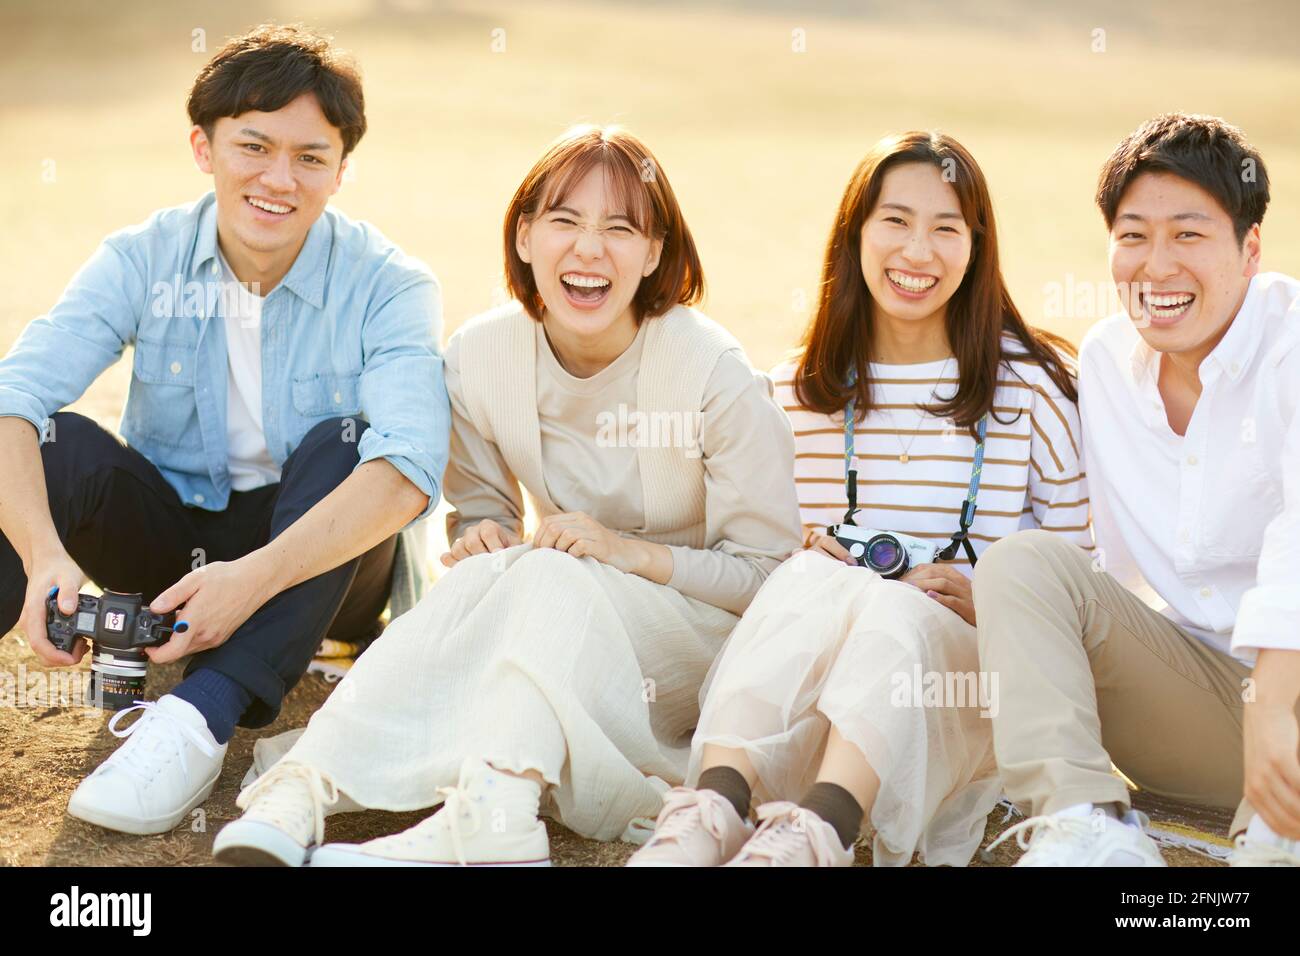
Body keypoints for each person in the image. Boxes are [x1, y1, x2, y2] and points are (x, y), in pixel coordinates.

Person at [211, 124, 804, 867]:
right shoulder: (481, 357)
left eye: (619, 229)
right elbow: (484, 508)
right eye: (564, 221)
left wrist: (628, 554)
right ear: (524, 236)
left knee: (549, 571)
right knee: (507, 572)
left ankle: (498, 812)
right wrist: (482, 534)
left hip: (691, 648)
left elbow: (772, 578)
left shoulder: (710, 372)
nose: (588, 250)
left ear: (654, 255)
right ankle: (305, 787)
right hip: (557, 614)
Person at [0, 24, 449, 836]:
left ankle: (196, 721)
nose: (280, 179)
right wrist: (43, 556)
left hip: (326, 568)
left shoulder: (391, 284)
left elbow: (411, 468)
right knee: (55, 442)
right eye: (254, 145)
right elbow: (12, 398)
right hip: (177, 546)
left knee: (353, 443)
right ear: (203, 148)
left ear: (341, 170)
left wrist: (257, 577)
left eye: (310, 157)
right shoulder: (142, 258)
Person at [627, 131, 1089, 867]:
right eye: (896, 222)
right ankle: (710, 808)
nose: (919, 252)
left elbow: (1082, 577)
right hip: (810, 696)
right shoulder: (793, 393)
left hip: (957, 689)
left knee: (893, 607)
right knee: (812, 576)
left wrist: (988, 598)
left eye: (947, 229)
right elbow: (751, 565)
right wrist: (801, 558)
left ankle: (818, 833)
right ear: (856, 234)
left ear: (977, 247)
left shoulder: (1032, 386)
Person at [976, 113, 1300, 867]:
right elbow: (1096, 565)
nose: (1157, 267)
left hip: (1289, 694)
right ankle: (1085, 828)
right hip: (1206, 703)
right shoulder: (1107, 360)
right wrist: (997, 597)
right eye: (1133, 235)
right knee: (1023, 563)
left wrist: (1276, 704)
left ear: (1250, 251)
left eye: (1188, 235)